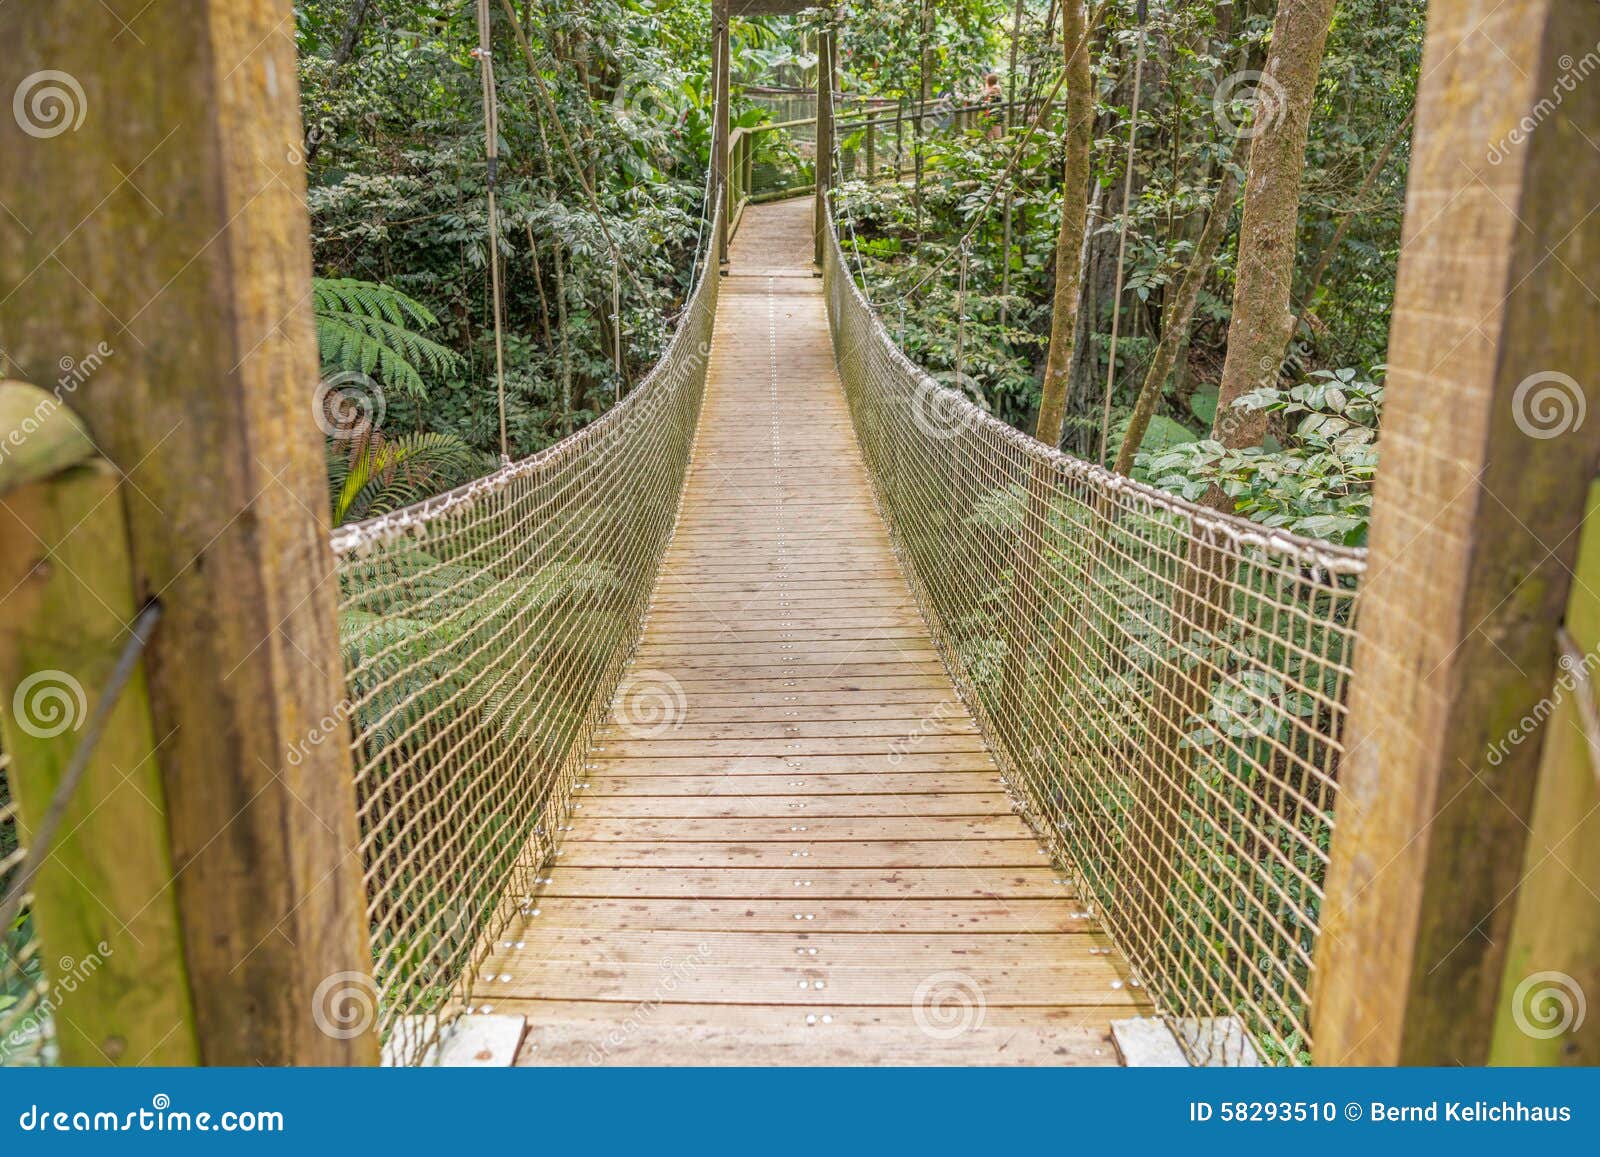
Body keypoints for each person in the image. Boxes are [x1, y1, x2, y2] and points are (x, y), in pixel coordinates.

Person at [980, 72, 1004, 139]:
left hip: (995, 113)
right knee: (989, 134)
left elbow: (986, 94)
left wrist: (982, 88)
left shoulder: (995, 88)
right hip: (989, 113)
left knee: (997, 134)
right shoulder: (990, 88)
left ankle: (999, 144)